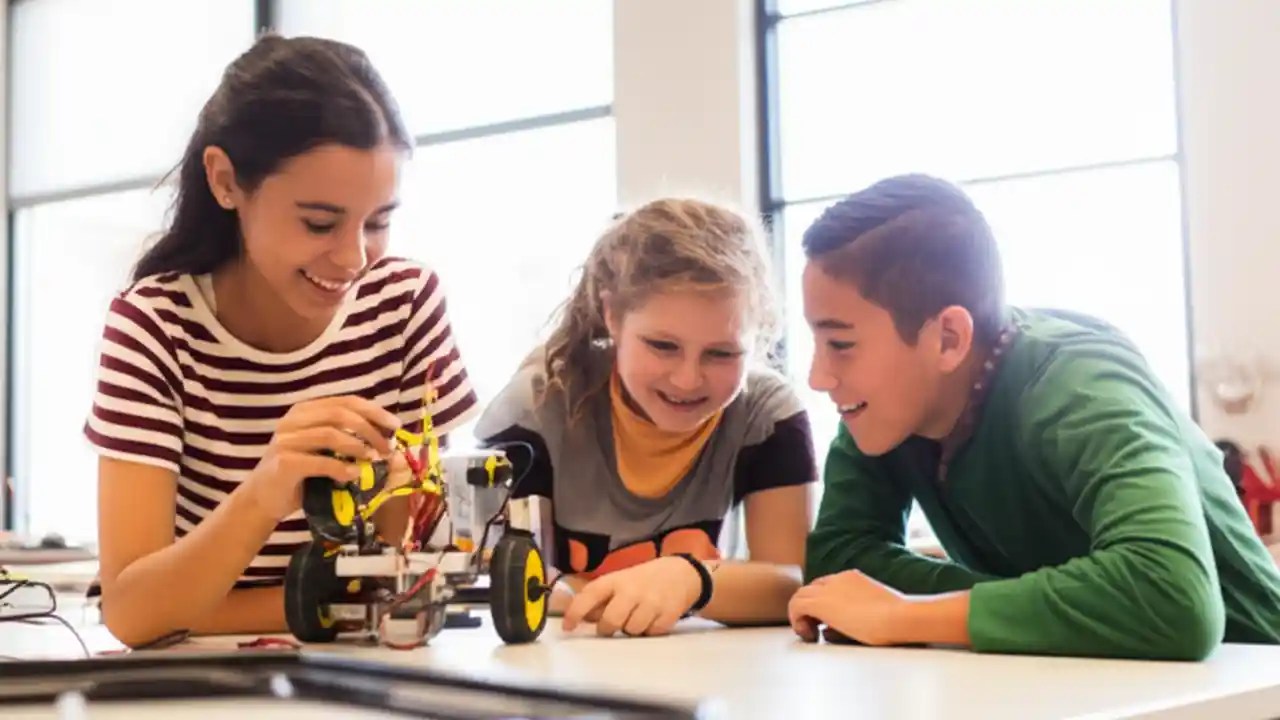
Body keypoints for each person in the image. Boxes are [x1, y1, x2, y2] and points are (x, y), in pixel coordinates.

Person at [85, 35, 479, 648]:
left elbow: (397, 579)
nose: (354, 258)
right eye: (319, 222)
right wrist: (266, 492)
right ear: (224, 182)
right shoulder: (155, 327)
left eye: (378, 222)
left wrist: (210, 603)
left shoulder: (402, 304)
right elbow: (133, 612)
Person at [787, 174, 1280, 660]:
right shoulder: (886, 411)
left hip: (1248, 684)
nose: (818, 376)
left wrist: (905, 614)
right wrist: (1021, 607)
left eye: (842, 345)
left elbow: (1174, 599)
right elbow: (840, 564)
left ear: (950, 338)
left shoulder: (1078, 384)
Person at [475, 198, 817, 638]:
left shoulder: (768, 416)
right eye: (662, 346)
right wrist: (729, 584)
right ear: (612, 316)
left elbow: (789, 584)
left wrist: (691, 578)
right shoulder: (535, 408)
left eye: (722, 353)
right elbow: (498, 574)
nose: (688, 379)